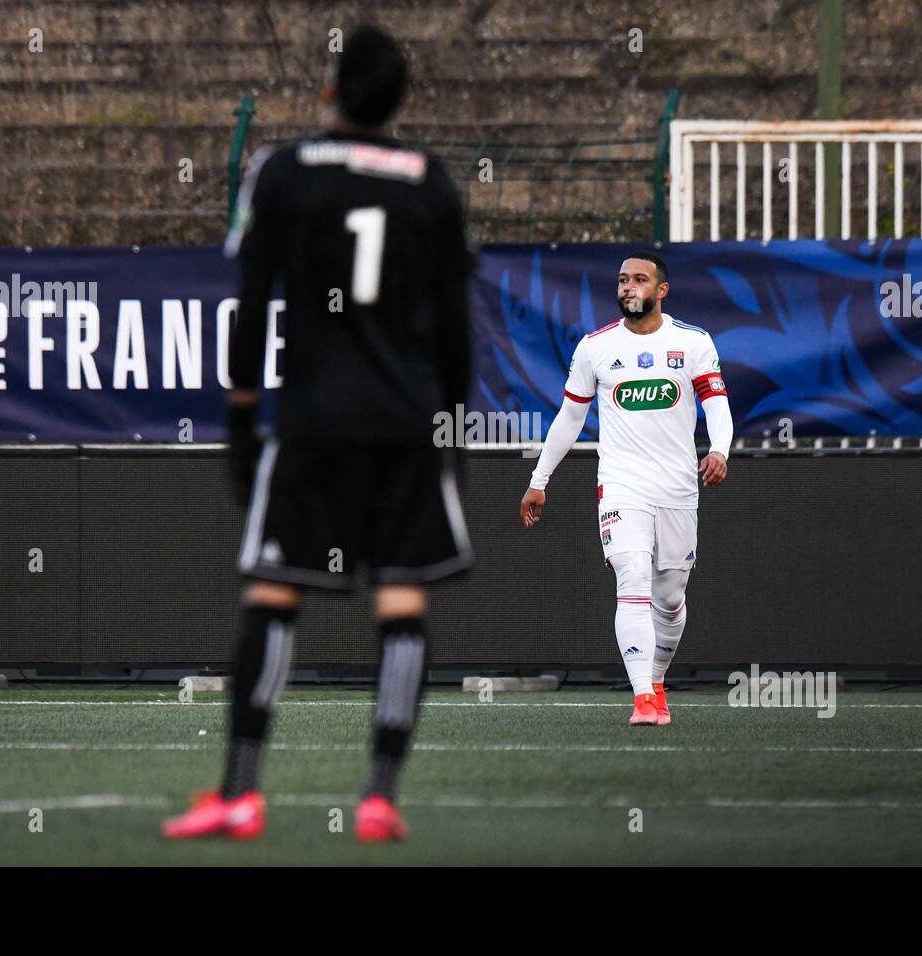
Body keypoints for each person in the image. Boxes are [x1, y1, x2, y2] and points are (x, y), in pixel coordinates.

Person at [163, 24, 474, 844]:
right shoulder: (433, 183)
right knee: (400, 594)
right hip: (407, 420)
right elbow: (457, 334)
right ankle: (378, 797)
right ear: (404, 102)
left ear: (330, 91)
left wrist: (239, 416)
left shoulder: (285, 172)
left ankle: (239, 791)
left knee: (274, 591)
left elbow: (252, 297)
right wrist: (452, 429)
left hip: (313, 418)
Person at [520, 252, 732, 725]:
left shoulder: (692, 342)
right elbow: (570, 418)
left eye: (639, 279)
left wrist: (719, 449)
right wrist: (539, 480)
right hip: (620, 486)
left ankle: (656, 681)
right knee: (631, 576)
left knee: (670, 597)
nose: (628, 287)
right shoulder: (595, 348)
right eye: (622, 280)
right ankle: (642, 698)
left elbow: (716, 402)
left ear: (662, 290)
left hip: (678, 488)